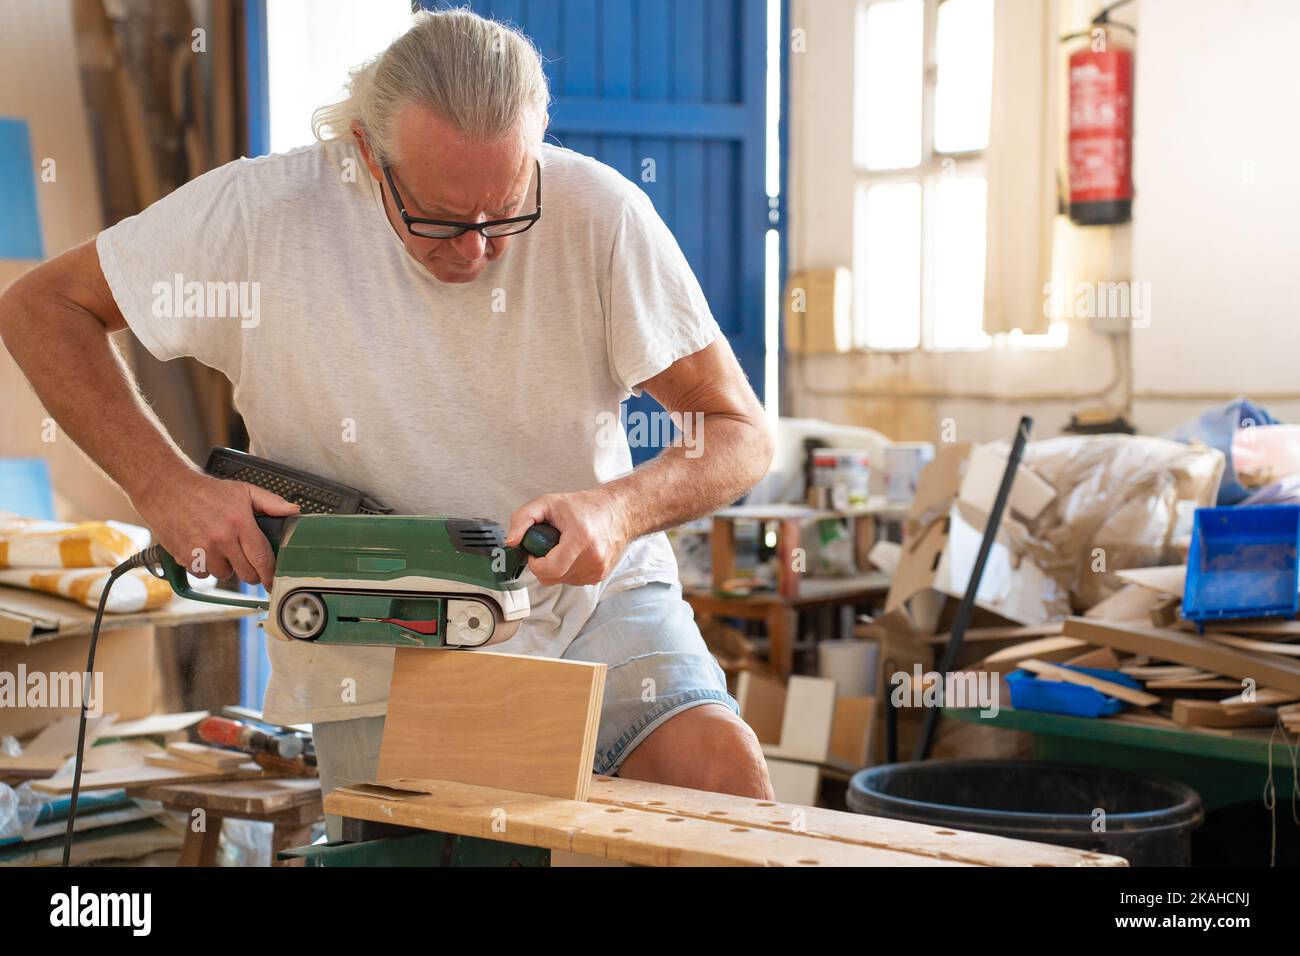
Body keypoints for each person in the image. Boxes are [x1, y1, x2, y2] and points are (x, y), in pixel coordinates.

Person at [0, 9, 776, 824]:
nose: (476, 250)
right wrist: (162, 486)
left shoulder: (600, 213)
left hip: (590, 606)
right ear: (368, 155)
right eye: (439, 219)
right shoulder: (258, 216)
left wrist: (619, 510)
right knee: (423, 845)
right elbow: (43, 308)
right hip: (375, 629)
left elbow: (739, 431)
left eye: (505, 212)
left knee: (722, 780)